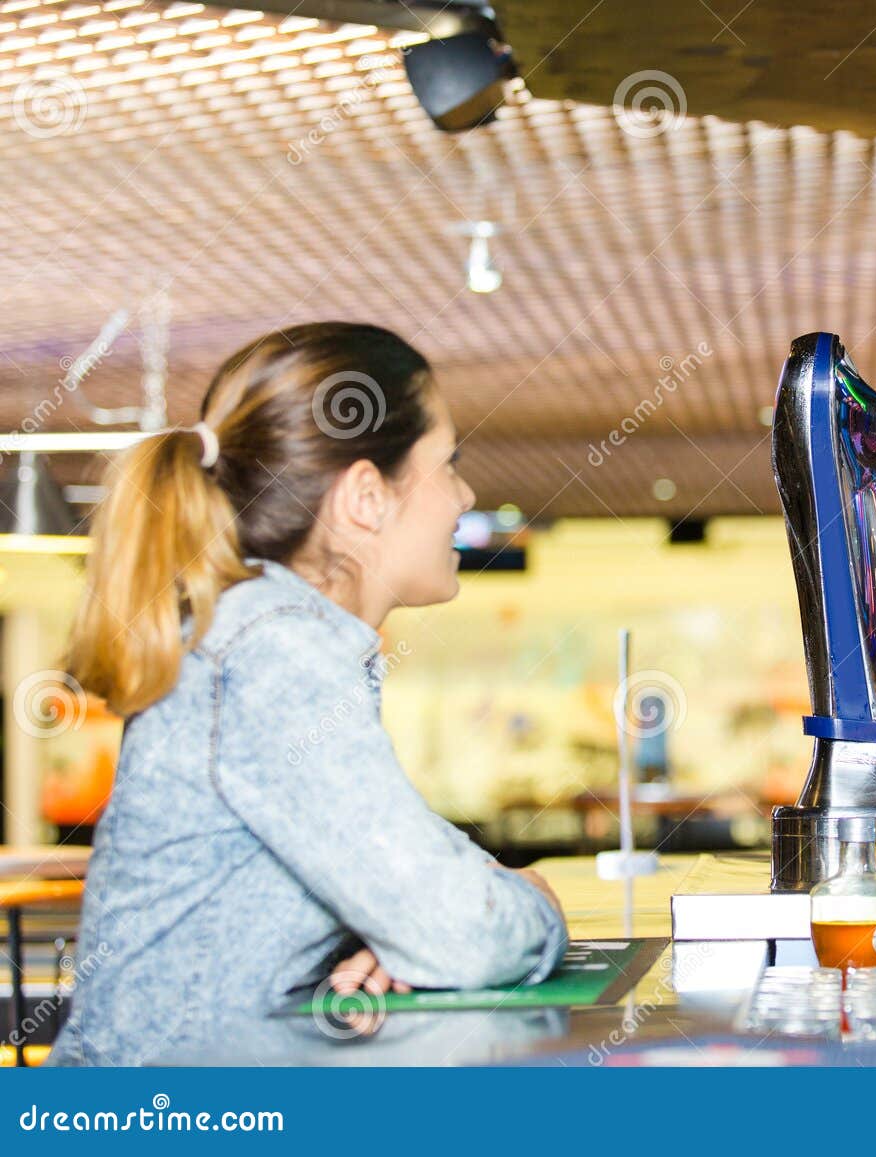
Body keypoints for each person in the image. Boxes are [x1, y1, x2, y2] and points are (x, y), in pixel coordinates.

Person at [48, 322, 567, 1066]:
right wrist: (538, 903)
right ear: (365, 496)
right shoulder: (274, 650)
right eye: (447, 463)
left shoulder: (269, 633)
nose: (466, 493)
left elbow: (435, 882)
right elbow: (471, 930)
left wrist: (394, 929)